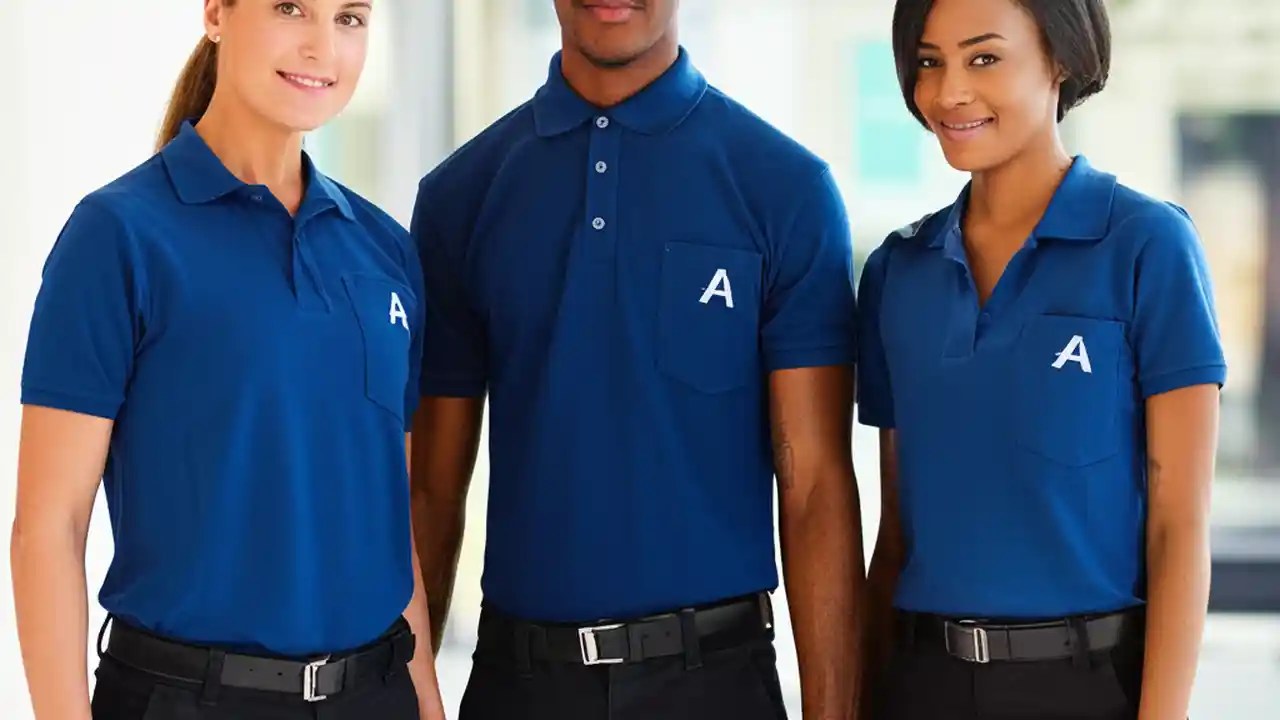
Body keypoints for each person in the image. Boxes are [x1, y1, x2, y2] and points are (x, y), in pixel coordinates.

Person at [409, 1, 864, 717]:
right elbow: (430, 494)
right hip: (518, 685)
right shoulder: (459, 195)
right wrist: (413, 694)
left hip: (715, 685)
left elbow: (814, 488)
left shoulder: (785, 188)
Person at [11, 1, 445, 718]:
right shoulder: (118, 236)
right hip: (190, 700)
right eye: (288, 9)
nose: (321, 46)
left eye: (350, 18)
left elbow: (386, 521)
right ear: (216, 13)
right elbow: (49, 527)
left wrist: (426, 702)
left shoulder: (384, 249)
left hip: (375, 696)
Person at [858, 1, 1225, 718]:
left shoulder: (1147, 247)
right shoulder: (896, 271)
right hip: (919, 684)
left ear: (1060, 59)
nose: (949, 91)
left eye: (983, 58)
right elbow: (895, 534)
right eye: (929, 62)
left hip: (1086, 688)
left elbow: (1179, 526)